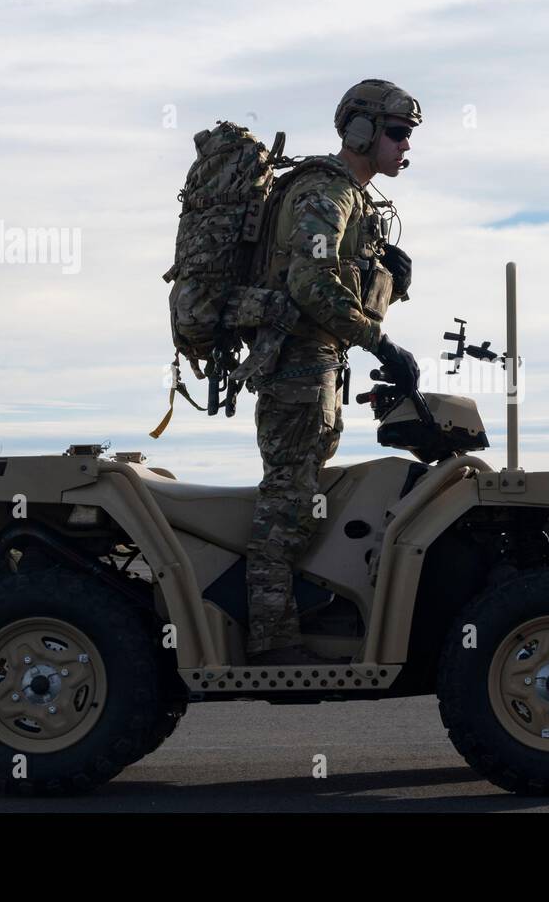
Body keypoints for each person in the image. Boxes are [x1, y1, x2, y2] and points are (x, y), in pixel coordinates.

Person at [243, 79, 422, 661]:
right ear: (362, 130)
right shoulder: (328, 192)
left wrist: (385, 283)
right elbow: (311, 283)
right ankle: (270, 643)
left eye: (409, 136)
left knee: (299, 497)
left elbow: (335, 282)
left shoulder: (354, 199)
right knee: (287, 505)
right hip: (298, 368)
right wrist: (380, 341)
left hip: (317, 365)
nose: (404, 146)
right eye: (396, 133)